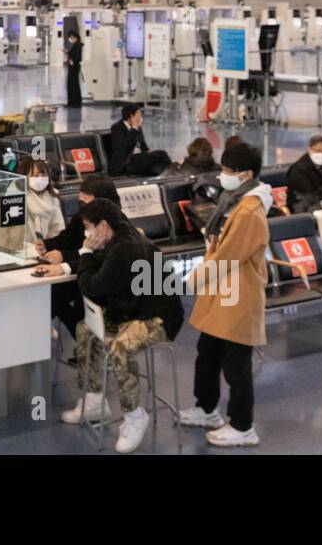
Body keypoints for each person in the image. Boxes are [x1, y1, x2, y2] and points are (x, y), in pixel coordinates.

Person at [53, 199, 185, 453]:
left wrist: (85, 254)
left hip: (158, 317)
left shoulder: (125, 249)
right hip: (132, 310)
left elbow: (91, 286)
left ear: (103, 226)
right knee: (84, 328)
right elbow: (97, 285)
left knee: (120, 348)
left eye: (89, 227)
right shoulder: (116, 238)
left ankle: (135, 415)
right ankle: (93, 401)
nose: (86, 233)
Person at [181, 142, 271, 448]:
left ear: (246, 174)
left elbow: (228, 256)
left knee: (236, 364)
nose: (223, 176)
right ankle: (206, 409)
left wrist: (196, 277)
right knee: (208, 352)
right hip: (223, 291)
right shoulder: (235, 200)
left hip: (238, 293)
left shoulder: (249, 211)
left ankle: (243, 426)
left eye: (229, 171)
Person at [35, 173, 119, 340]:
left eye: (85, 200)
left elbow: (96, 257)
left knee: (65, 297)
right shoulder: (84, 215)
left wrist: (63, 259)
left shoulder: (113, 227)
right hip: (83, 271)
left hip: (104, 284)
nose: (81, 204)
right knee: (54, 296)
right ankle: (83, 344)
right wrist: (47, 245)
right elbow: (69, 238)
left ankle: (88, 345)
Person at [107, 103, 172, 177]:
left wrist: (149, 152)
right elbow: (125, 146)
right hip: (127, 162)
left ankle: (170, 175)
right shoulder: (117, 128)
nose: (141, 118)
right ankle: (175, 171)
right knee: (162, 154)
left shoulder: (138, 127)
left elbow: (143, 145)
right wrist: (134, 128)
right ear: (132, 117)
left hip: (139, 159)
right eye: (139, 115)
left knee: (159, 166)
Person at [19, 156, 65, 243]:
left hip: (46, 249)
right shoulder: (16, 197)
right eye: (35, 176)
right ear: (24, 176)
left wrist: (49, 246)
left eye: (43, 175)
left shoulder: (52, 196)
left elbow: (57, 229)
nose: (40, 178)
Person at [64, 31, 84, 108]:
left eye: (70, 37)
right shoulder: (77, 44)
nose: (70, 39)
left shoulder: (78, 45)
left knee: (72, 84)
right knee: (73, 84)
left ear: (73, 36)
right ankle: (73, 102)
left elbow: (77, 56)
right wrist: (68, 52)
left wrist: (72, 60)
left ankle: (74, 103)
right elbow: (73, 54)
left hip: (74, 67)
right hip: (74, 67)